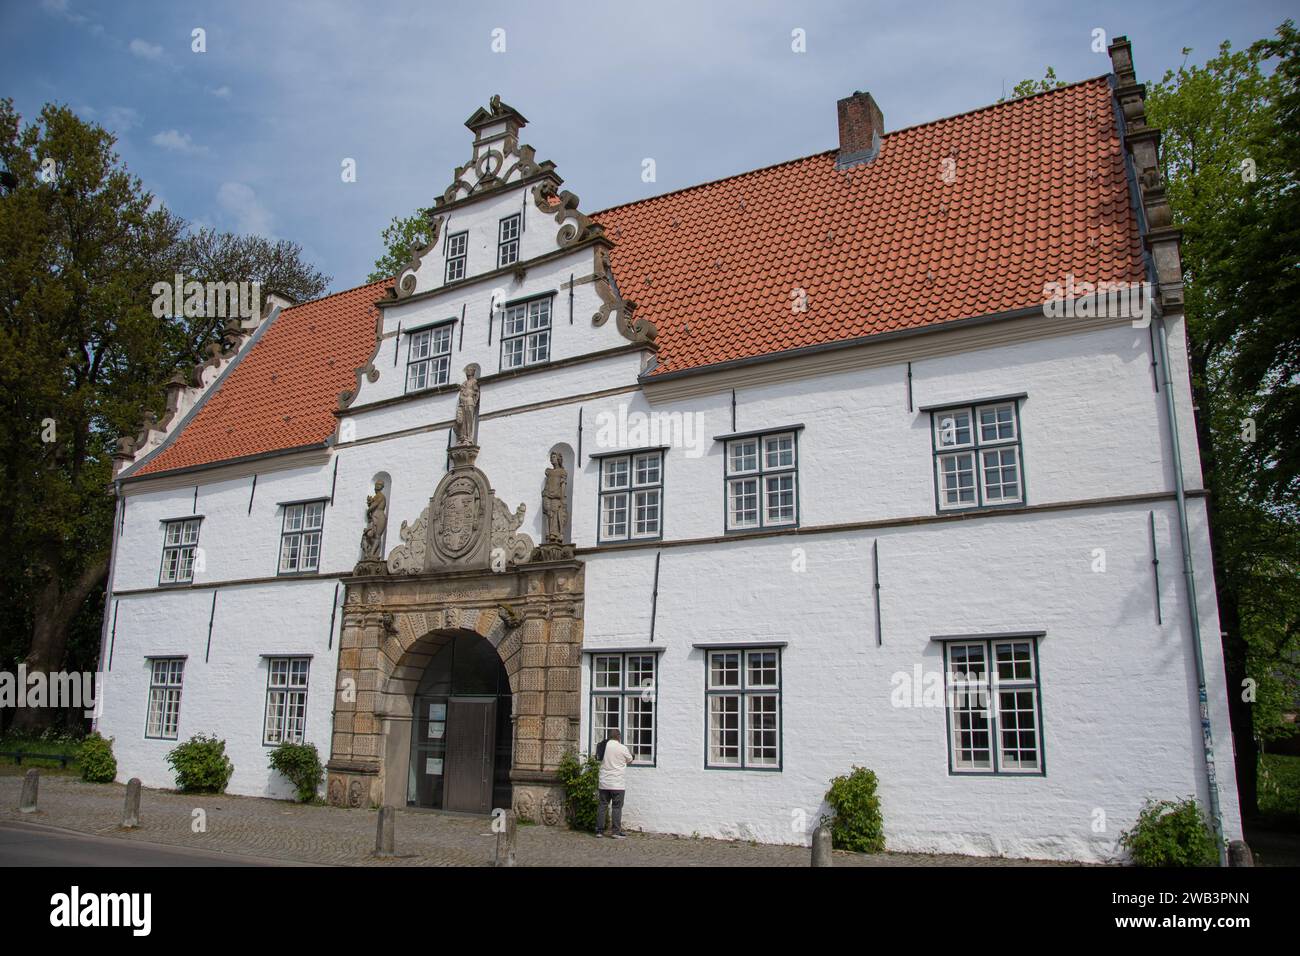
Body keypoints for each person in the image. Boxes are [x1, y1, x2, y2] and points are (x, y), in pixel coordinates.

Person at [595, 729, 634, 839]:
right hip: (617, 783)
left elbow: (598, 758)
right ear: (619, 737)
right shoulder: (622, 748)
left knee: (602, 806)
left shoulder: (603, 746)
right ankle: (616, 832)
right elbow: (630, 760)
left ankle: (599, 831)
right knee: (617, 807)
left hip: (604, 782)